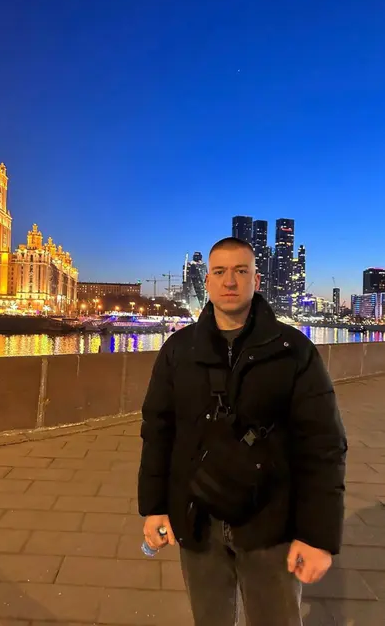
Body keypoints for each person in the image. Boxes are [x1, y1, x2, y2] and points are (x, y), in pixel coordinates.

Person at [138, 237, 347, 626]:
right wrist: (154, 507)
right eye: (219, 272)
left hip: (271, 523)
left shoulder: (293, 350)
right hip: (197, 518)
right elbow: (158, 432)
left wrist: (317, 536)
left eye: (240, 271)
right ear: (207, 281)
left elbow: (323, 446)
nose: (229, 281)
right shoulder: (178, 350)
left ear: (257, 280)